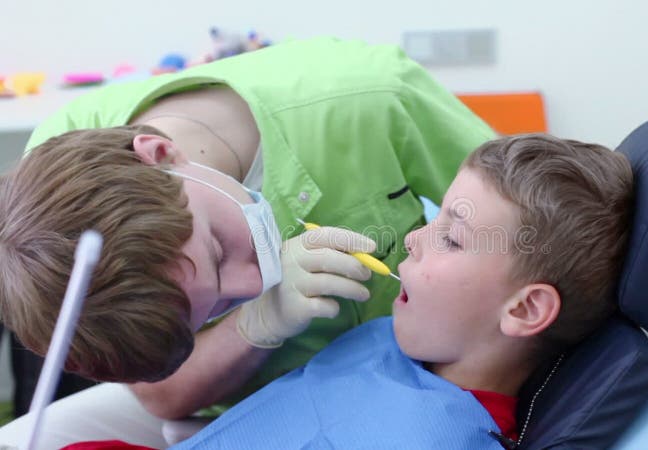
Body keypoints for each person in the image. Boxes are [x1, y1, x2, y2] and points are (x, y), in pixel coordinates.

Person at [0, 37, 495, 448]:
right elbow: (162, 396)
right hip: (222, 408)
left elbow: (534, 234)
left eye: (216, 251)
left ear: (159, 153)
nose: (257, 279)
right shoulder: (50, 203)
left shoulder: (370, 96)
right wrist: (258, 323)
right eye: (212, 307)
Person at [68, 133, 635, 449]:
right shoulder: (385, 339)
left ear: (526, 308)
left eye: (453, 239)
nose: (414, 239)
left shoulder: (446, 438)